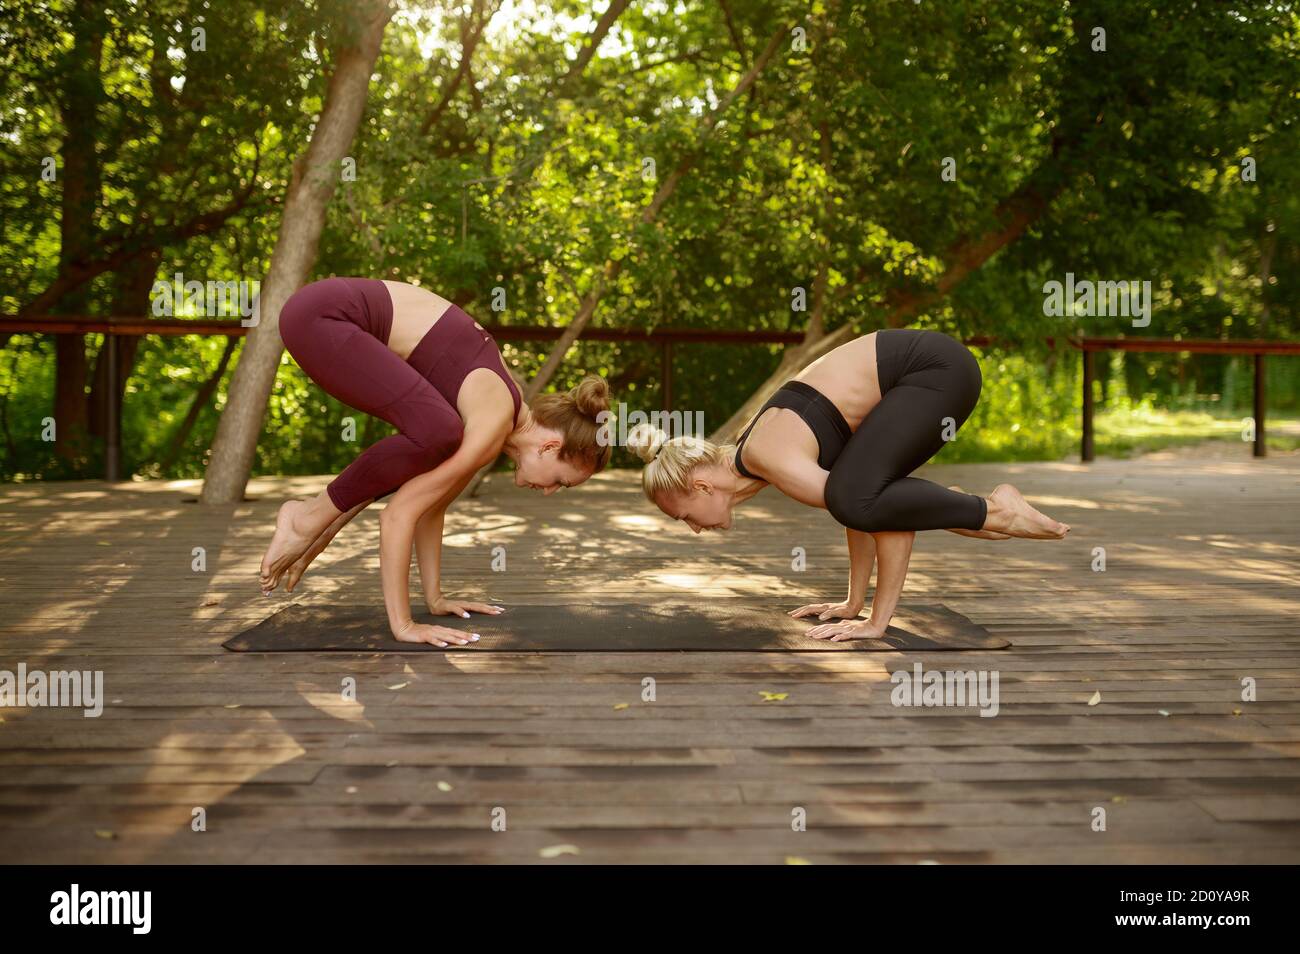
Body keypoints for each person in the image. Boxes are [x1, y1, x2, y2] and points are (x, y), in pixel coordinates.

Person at [628, 328, 1070, 642]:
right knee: (859, 495)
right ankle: (994, 508)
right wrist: (852, 603)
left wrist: (877, 622)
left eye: (683, 515)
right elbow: (860, 501)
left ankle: (997, 507)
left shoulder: (768, 456)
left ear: (703, 487)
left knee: (863, 499)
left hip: (934, 371)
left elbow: (876, 511)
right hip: (928, 369)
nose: (692, 528)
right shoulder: (756, 454)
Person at [259, 277, 611, 647]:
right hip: (323, 318)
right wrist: (404, 625)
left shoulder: (497, 417)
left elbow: (432, 506)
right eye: (562, 481)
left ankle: (310, 517)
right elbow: (397, 515)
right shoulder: (494, 422)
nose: (550, 492)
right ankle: (304, 517)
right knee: (438, 431)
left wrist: (435, 597)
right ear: (549, 447)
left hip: (322, 316)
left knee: (438, 436)